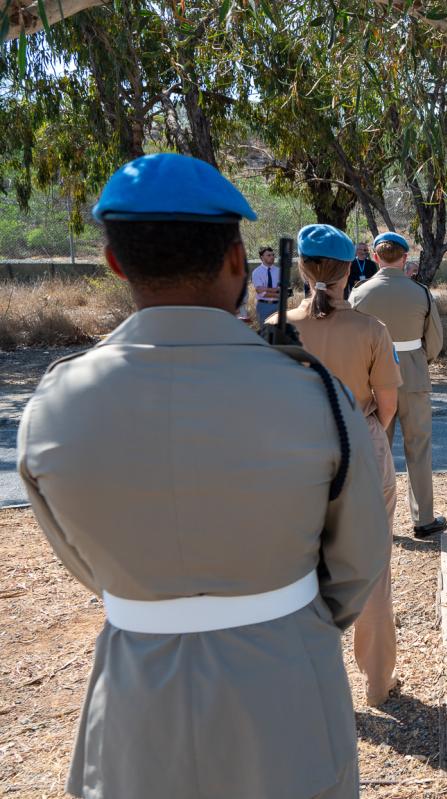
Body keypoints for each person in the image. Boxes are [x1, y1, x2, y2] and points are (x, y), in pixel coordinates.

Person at [21, 153, 389, 798]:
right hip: (287, 680)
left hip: (134, 681)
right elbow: (357, 559)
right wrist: (289, 619)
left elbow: (80, 560)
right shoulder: (315, 396)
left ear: (114, 264)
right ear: (237, 262)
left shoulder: (55, 401)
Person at [279, 223, 403, 708]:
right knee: (371, 569)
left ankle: (315, 685)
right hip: (359, 444)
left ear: (304, 270)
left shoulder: (278, 328)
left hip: (297, 454)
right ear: (352, 270)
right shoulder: (372, 330)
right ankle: (376, 682)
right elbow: (388, 404)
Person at [352, 231, 447, 537]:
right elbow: (434, 342)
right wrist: (420, 362)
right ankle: (423, 520)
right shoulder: (420, 293)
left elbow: (353, 343)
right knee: (418, 448)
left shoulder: (359, 294)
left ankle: (376, 519)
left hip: (373, 379)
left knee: (375, 450)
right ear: (405, 258)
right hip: (413, 375)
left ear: (376, 257)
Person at [252, 244, 281, 322]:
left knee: (279, 332)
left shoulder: (279, 271)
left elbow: (285, 290)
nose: (272, 257)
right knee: (265, 331)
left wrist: (266, 290)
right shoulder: (256, 272)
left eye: (273, 255)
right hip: (264, 306)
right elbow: (260, 291)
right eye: (268, 255)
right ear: (262, 257)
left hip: (279, 306)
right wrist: (277, 292)